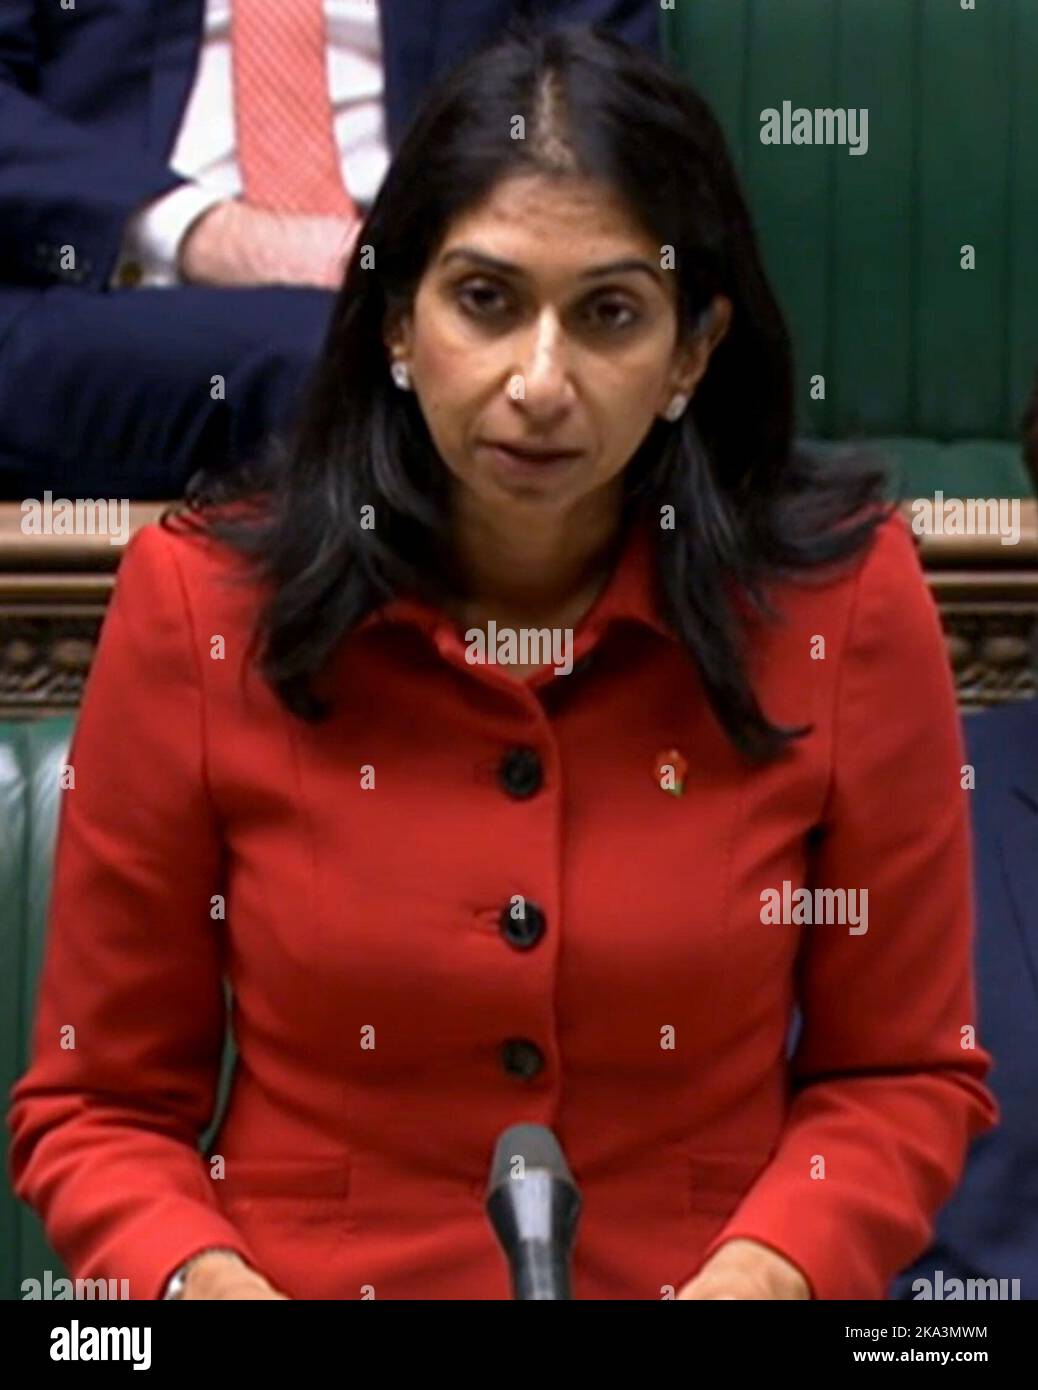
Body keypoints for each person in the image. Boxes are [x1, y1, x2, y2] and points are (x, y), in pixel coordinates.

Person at [6, 22, 997, 1301]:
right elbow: (97, 1106)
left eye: (610, 315)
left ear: (692, 351)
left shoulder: (842, 608)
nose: (540, 380)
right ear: (396, 323)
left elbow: (900, 1076)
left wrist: (766, 1277)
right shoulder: (202, 605)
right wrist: (206, 1284)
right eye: (485, 300)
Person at [0, 0, 659, 502]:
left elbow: (600, 90)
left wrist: (459, 252)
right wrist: (204, 232)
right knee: (357, 361)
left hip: (451, 272)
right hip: (95, 289)